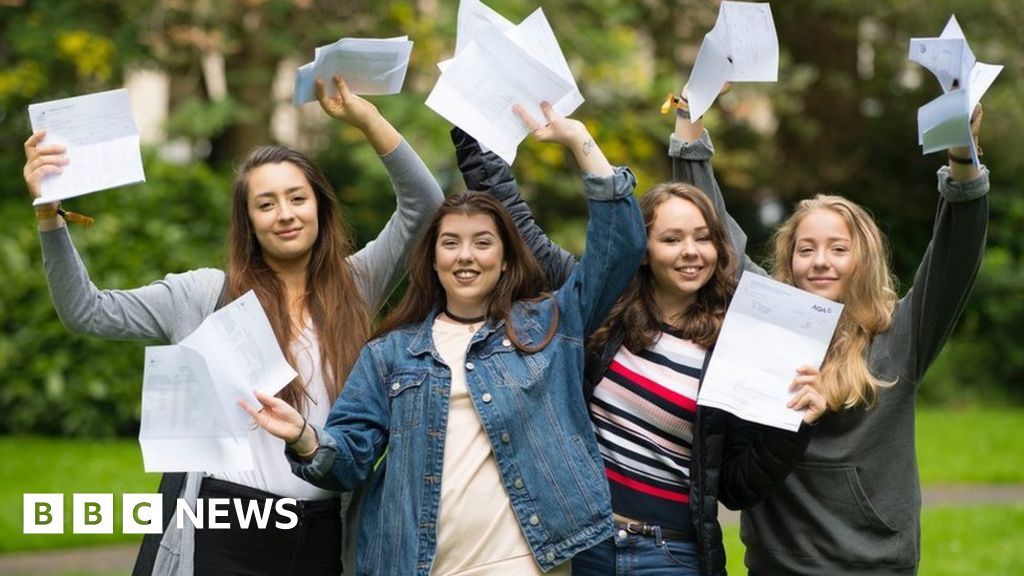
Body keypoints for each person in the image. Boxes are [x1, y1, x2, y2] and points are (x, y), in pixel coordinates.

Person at [23, 75, 444, 576]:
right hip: (227, 534)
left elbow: (425, 204)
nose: (285, 215)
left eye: (297, 198)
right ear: (248, 221)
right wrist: (50, 216)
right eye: (266, 204)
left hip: (325, 534)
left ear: (320, 207)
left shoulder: (357, 283)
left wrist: (365, 118)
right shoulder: (203, 296)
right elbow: (86, 310)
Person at [241, 102, 647, 575]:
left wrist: (579, 140)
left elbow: (620, 246)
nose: (465, 256)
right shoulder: (390, 354)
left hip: (527, 563)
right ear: (433, 260)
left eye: (482, 242)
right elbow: (348, 461)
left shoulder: (550, 324)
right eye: (450, 243)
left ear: (505, 259)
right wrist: (305, 437)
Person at [451, 122, 828, 575]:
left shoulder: (736, 342)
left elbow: (736, 488)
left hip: (670, 555)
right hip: (585, 546)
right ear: (643, 249)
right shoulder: (600, 303)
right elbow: (518, 226)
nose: (691, 251)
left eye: (703, 237)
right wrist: (472, 124)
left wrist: (794, 427)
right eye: (671, 239)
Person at [667, 87, 989, 575]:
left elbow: (955, 255)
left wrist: (963, 159)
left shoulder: (900, 334)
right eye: (806, 249)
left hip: (874, 564)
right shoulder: (765, 318)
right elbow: (717, 236)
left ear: (864, 259)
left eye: (838, 248)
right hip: (775, 565)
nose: (820, 261)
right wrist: (689, 125)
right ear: (789, 259)